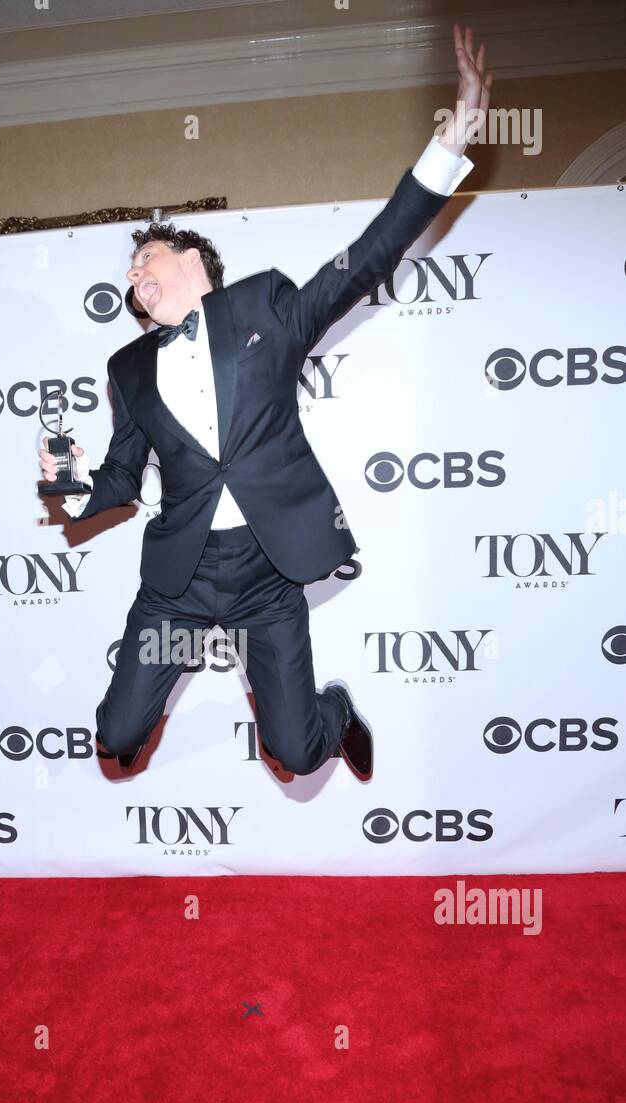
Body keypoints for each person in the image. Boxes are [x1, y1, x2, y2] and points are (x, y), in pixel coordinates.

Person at [40, 23, 492, 777]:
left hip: (265, 577)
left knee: (291, 748)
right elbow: (120, 479)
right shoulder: (128, 368)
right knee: (117, 737)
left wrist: (452, 143)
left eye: (144, 259)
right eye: (128, 274)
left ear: (193, 261)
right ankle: (136, 721)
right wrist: (64, 479)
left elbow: (369, 256)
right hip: (180, 587)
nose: (133, 277)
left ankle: (335, 712)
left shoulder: (266, 311)